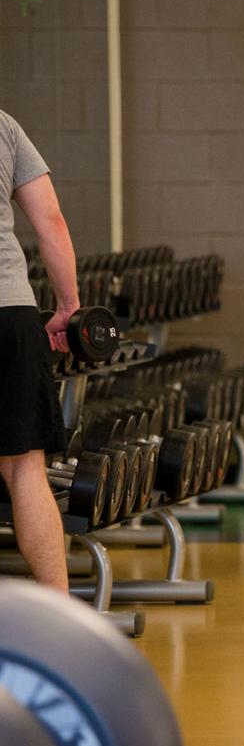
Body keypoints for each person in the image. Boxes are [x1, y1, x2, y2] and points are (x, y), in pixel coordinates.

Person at [0, 109, 81, 593]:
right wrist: (68, 305)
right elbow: (50, 220)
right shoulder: (4, 124)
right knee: (25, 467)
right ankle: (61, 618)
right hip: (11, 309)